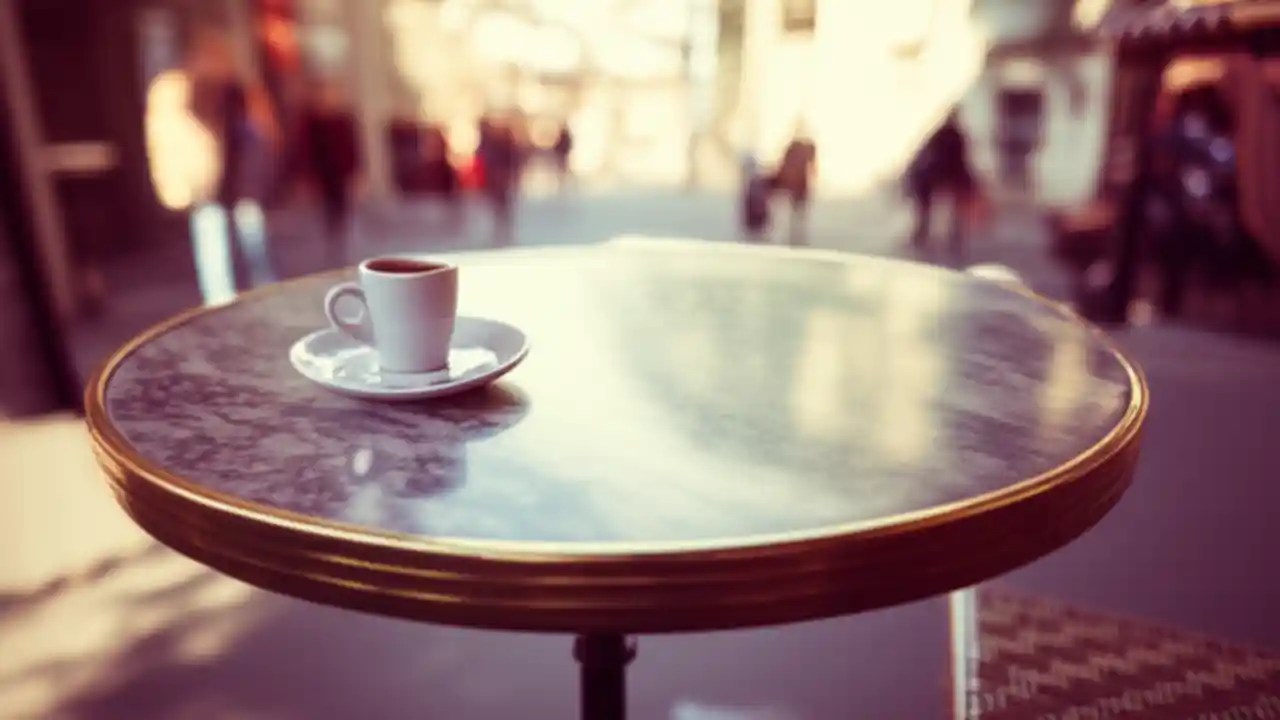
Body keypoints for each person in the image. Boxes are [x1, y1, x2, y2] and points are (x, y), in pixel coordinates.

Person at [302, 83, 359, 266]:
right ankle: (329, 249)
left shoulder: (343, 120)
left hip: (340, 174)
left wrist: (356, 172)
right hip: (324, 175)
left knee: (341, 211)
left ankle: (341, 248)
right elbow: (307, 152)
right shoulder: (313, 122)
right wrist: (309, 177)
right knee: (325, 213)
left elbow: (352, 148)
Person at [908, 110, 978, 257]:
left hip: (939, 175)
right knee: (943, 212)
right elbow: (961, 158)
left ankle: (925, 239)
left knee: (929, 211)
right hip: (944, 175)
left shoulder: (937, 134)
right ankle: (946, 241)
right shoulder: (953, 134)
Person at [476, 117, 519, 244]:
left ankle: (502, 223)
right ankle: (501, 222)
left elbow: (509, 159)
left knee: (500, 199)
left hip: (497, 173)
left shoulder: (496, 142)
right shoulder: (493, 141)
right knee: (499, 199)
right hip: (495, 173)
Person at [773, 134, 816, 245]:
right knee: (795, 216)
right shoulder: (796, 149)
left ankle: (795, 240)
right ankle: (794, 240)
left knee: (796, 216)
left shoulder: (798, 149)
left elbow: (812, 167)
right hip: (796, 186)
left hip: (798, 186)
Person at [552, 122, 574, 192]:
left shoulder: (563, 137)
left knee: (563, 166)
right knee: (563, 166)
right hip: (563, 153)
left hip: (563, 153)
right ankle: (563, 178)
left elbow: (566, 144)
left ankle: (563, 178)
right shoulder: (564, 137)